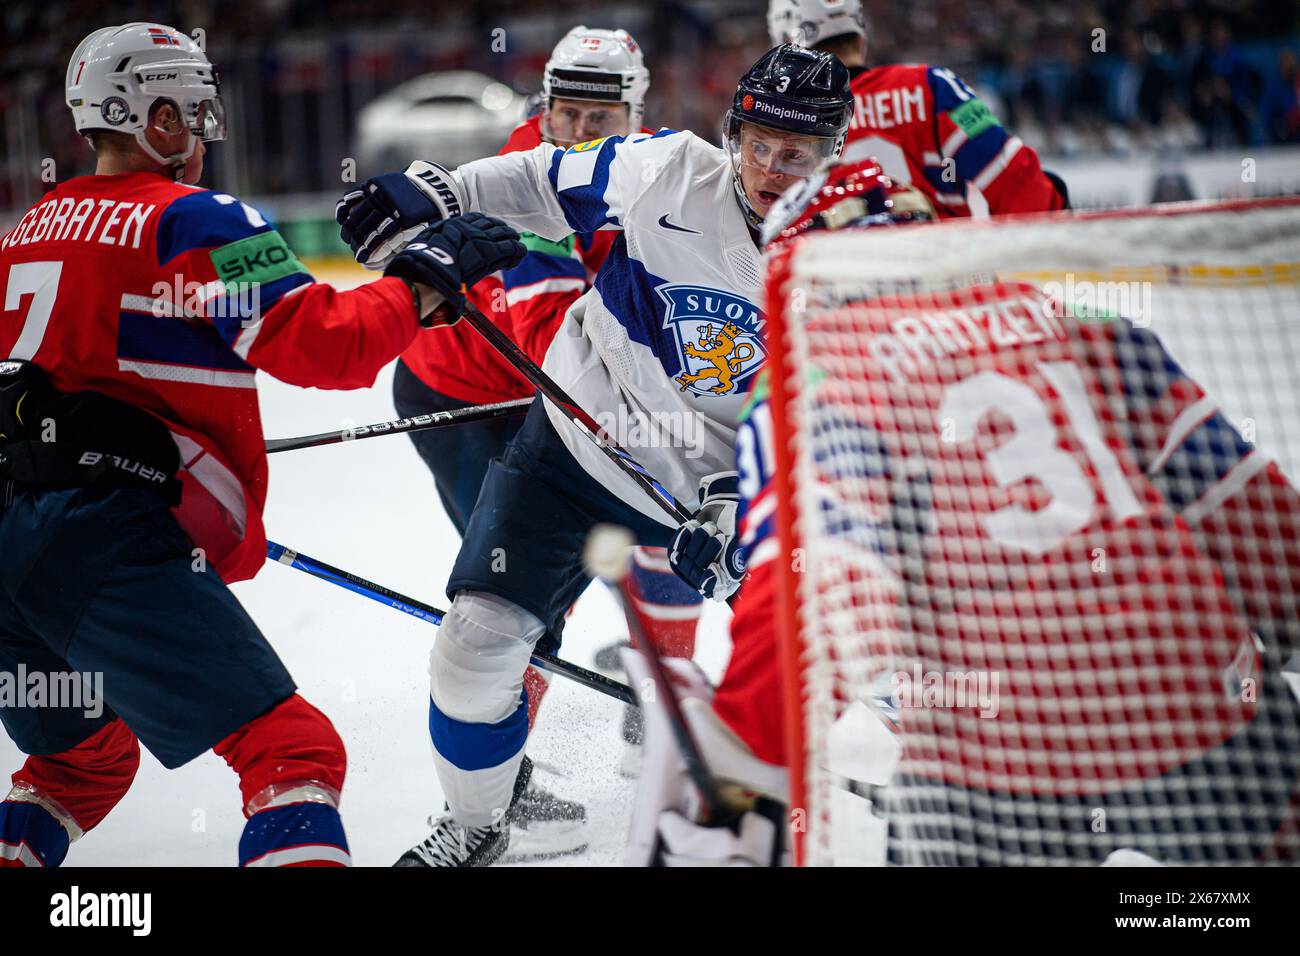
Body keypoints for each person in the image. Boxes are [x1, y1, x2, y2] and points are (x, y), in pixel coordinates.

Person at [630, 157, 1300, 865]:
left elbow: (830, 582)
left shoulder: (819, 368)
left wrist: (752, 739)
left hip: (993, 759)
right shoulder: (1074, 314)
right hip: (1202, 695)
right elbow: (1241, 501)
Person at [0, 22, 523, 867]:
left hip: (12, 538)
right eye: (196, 114)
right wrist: (421, 283)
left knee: (78, 762)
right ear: (156, 118)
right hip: (102, 538)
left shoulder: (32, 226)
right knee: (293, 755)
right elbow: (321, 342)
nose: (205, 134)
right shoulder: (201, 221)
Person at [337, 43, 854, 865]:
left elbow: (835, 422)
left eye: (795, 153)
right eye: (756, 143)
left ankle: (851, 812)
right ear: (733, 134)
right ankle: (478, 822)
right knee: (473, 650)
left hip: (724, 493)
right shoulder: (667, 170)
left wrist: (737, 506)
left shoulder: (849, 262)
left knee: (848, 657)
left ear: (833, 153)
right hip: (574, 453)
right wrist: (436, 192)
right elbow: (541, 179)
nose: (770, 167)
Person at [381, 25, 702, 861]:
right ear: (543, 107)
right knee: (522, 599)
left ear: (634, 111)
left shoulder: (643, 171)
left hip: (544, 388)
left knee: (658, 555)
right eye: (568, 112)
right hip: (471, 393)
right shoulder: (536, 174)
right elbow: (546, 335)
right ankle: (500, 799)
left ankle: (661, 708)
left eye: (603, 116)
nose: (582, 132)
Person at [767, 0, 1069, 216]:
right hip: (943, 291)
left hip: (847, 298)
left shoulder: (784, 123)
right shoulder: (929, 87)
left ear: (787, 45)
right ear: (861, 37)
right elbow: (1016, 182)